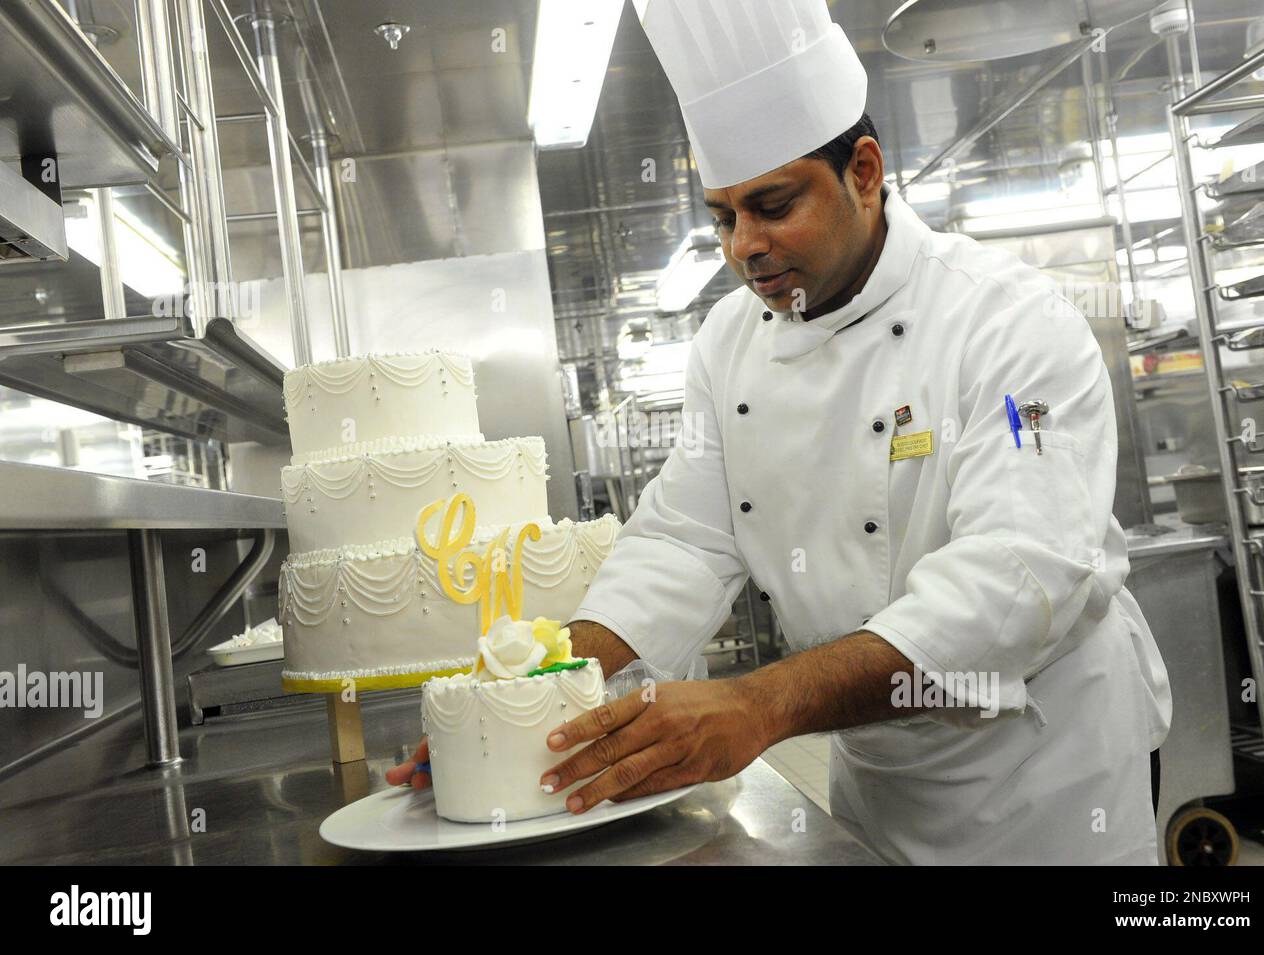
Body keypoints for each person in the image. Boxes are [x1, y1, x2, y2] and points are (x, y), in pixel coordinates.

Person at [391, 0, 1172, 864]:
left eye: (771, 204)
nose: (743, 246)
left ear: (864, 171)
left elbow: (1020, 578)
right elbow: (684, 543)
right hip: (876, 768)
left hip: (1045, 781)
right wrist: (525, 703)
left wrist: (761, 704)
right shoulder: (729, 344)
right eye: (723, 216)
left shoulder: (1008, 322)